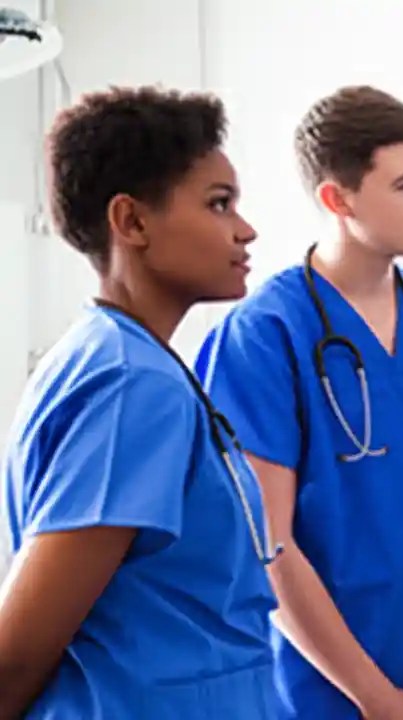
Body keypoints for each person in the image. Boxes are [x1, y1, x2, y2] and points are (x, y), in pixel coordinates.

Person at [195, 85, 403, 720]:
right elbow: (269, 543)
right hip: (324, 696)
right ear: (336, 199)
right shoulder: (264, 335)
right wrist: (374, 699)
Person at [0, 86, 275, 719]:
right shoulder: (133, 386)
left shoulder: (124, 362)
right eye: (219, 204)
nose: (245, 228)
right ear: (132, 222)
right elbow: (19, 650)